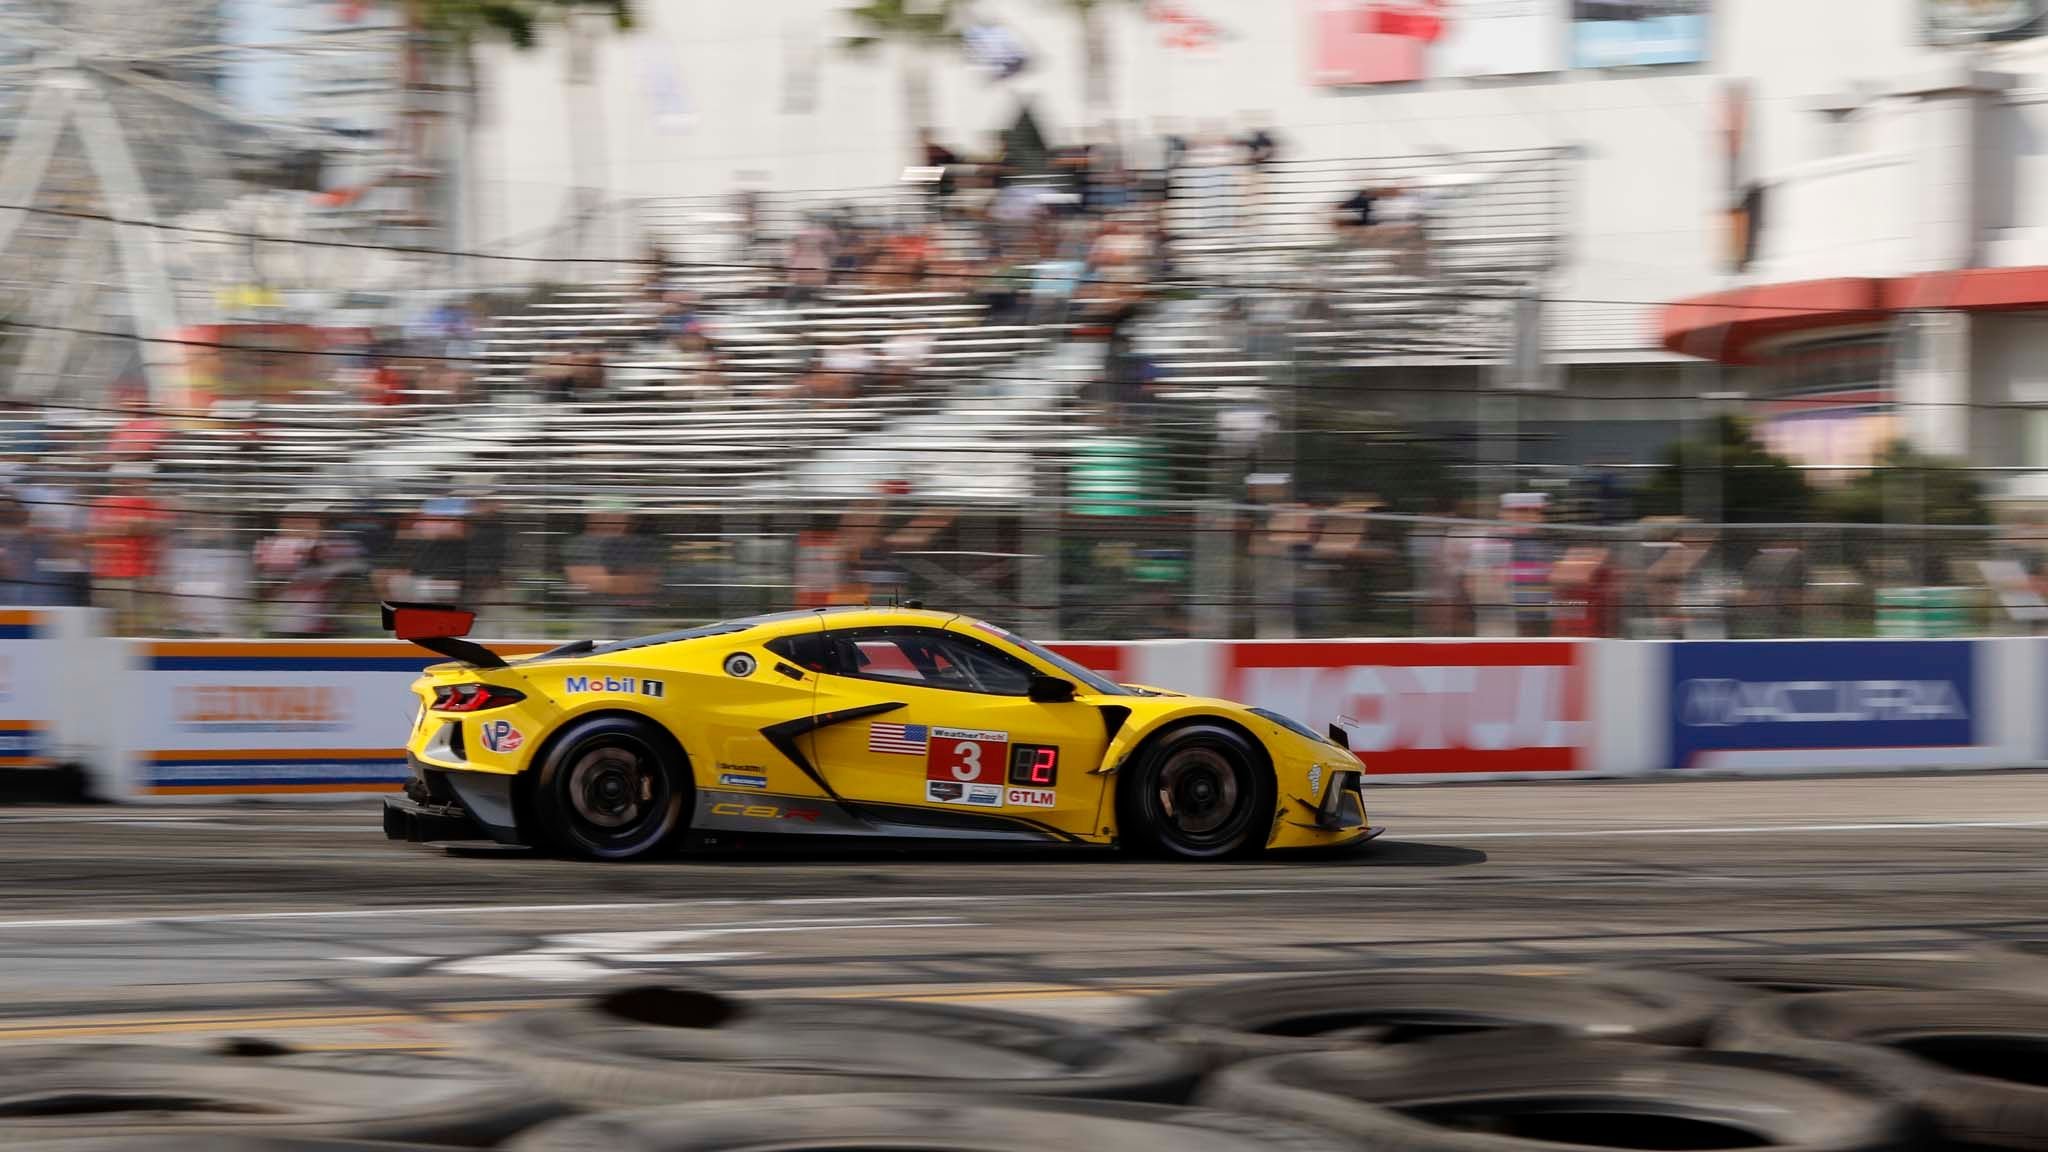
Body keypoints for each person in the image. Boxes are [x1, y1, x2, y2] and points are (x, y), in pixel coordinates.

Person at [89, 462, 172, 634]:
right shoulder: (106, 504)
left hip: (142, 577)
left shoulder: (150, 505)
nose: (146, 483)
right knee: (122, 631)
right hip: (116, 577)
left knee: (144, 631)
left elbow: (154, 527)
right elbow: (106, 532)